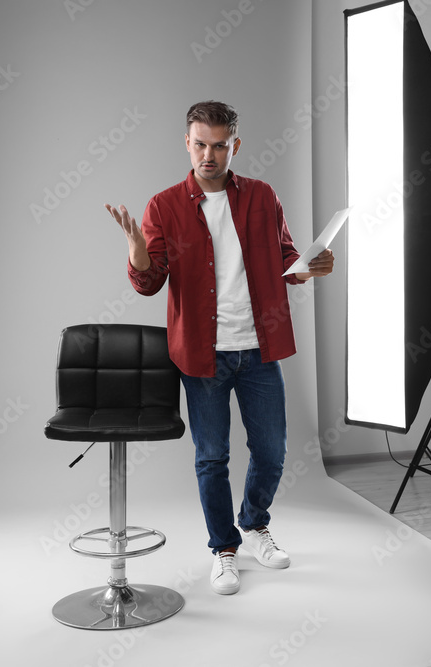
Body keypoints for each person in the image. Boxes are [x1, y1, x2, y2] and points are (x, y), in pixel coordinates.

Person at [105, 100, 334, 596]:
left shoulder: (262, 197)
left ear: (235, 145)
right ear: (187, 142)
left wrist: (311, 263)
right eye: (200, 144)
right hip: (201, 354)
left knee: (272, 452)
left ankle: (254, 524)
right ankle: (223, 549)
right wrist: (135, 248)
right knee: (212, 457)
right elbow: (149, 282)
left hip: (258, 347)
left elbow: (287, 256)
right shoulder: (164, 205)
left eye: (219, 145)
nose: (209, 154)